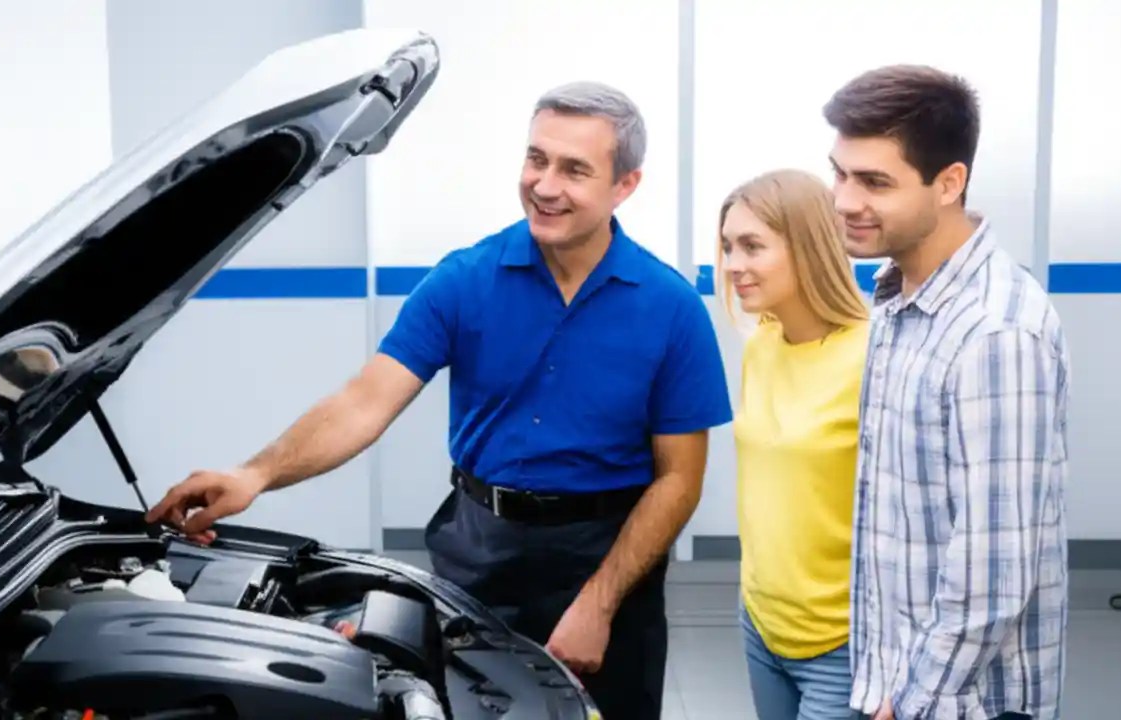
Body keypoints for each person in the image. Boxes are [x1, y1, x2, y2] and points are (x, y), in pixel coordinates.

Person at [144, 80, 733, 720]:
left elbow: (679, 480)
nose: (544, 184)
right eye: (536, 159)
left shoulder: (671, 307)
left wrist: (598, 603)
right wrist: (254, 473)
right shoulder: (463, 279)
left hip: (606, 555)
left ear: (625, 186)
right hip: (478, 552)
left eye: (574, 169)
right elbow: (363, 402)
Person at [823, 65, 1071, 720]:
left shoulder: (995, 332)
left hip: (961, 704)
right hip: (900, 686)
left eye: (874, 181)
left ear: (949, 183)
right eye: (840, 173)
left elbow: (993, 577)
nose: (845, 201)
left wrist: (910, 702)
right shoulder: (895, 297)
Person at [716, 169, 871, 720]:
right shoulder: (764, 343)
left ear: (808, 246)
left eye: (753, 246)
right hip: (761, 622)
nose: (734, 265)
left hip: (842, 642)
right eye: (729, 246)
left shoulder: (874, 357)